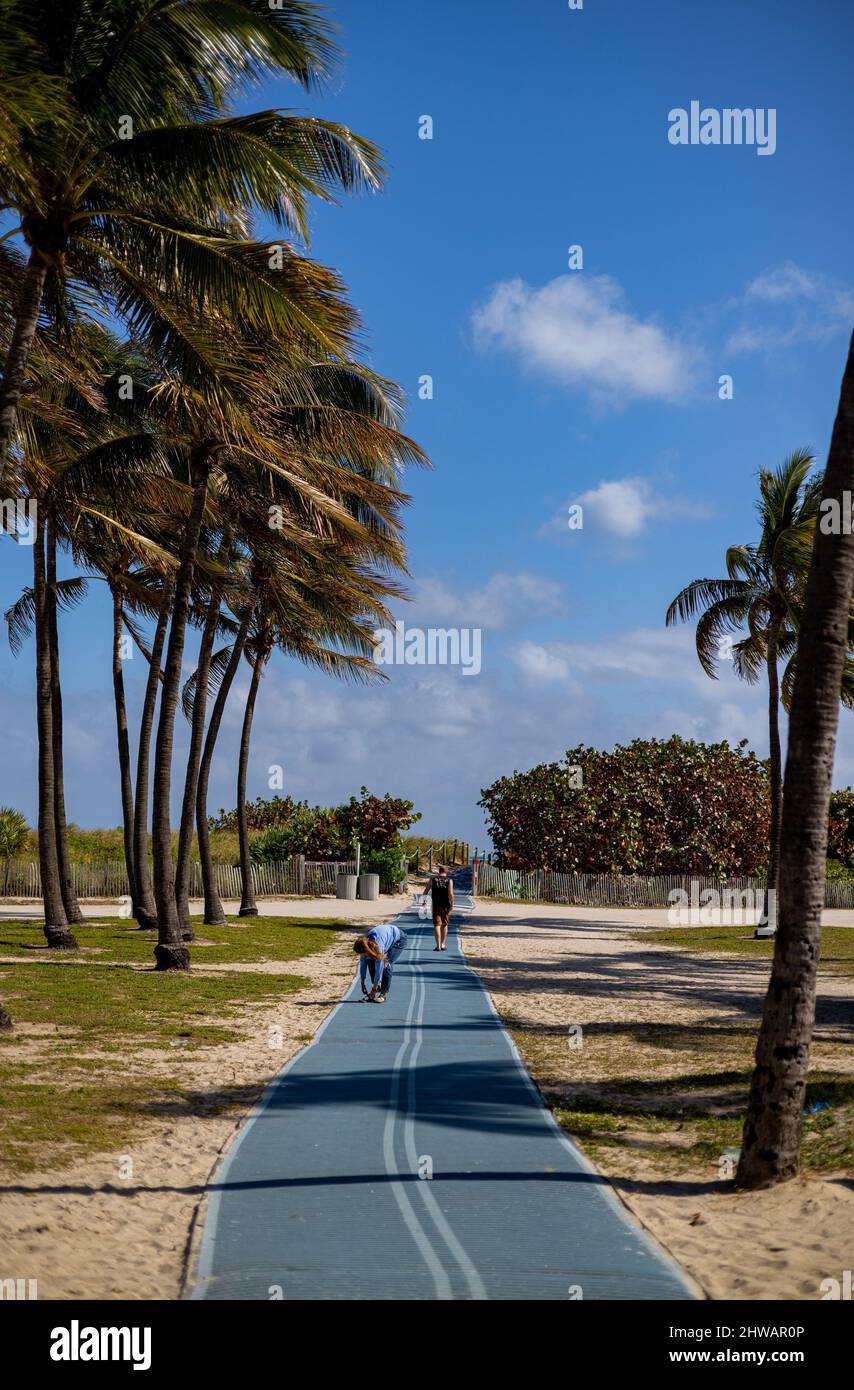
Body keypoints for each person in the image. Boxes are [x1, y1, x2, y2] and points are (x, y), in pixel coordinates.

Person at [353, 922, 408, 1003]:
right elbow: (363, 963)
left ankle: (383, 994)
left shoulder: (379, 946)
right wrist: (362, 981)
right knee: (369, 960)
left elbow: (379, 968)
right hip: (387, 935)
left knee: (387, 964)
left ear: (366, 950)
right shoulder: (364, 944)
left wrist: (373, 989)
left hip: (399, 940)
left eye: (363, 954)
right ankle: (377, 987)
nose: (362, 955)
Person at [425, 864, 454, 951]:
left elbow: (426, 890)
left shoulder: (432, 879)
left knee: (437, 925)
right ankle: (443, 944)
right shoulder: (449, 880)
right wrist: (452, 904)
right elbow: (450, 894)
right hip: (445, 905)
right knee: (445, 924)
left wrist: (423, 902)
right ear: (446, 872)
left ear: (439, 872)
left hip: (436, 905)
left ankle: (438, 946)